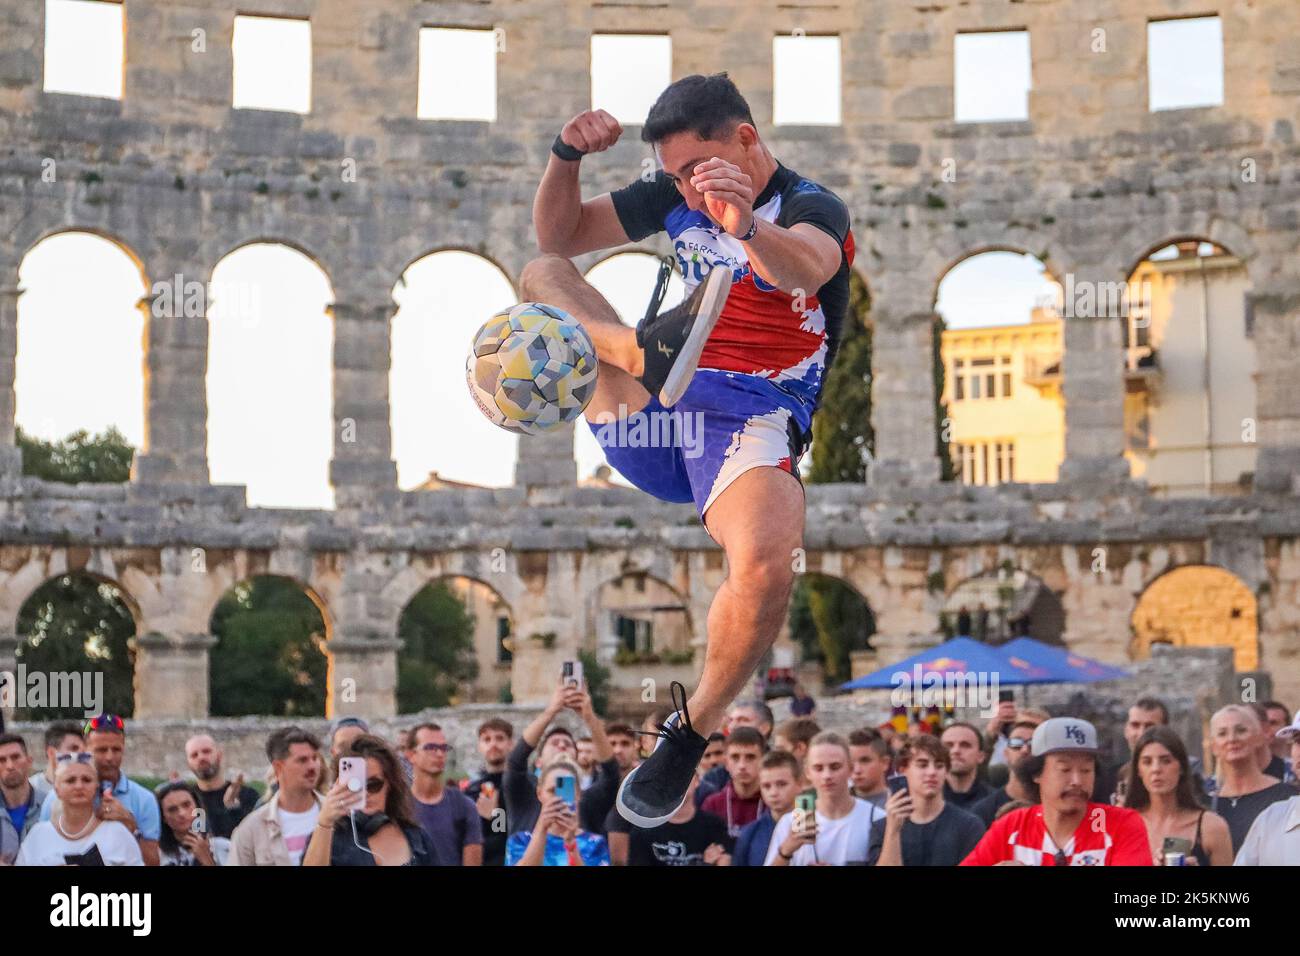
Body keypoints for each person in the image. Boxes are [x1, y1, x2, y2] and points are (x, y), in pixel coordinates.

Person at [526, 72, 854, 828]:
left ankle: (692, 729)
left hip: (751, 418)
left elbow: (803, 266)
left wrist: (745, 225)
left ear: (744, 140)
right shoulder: (674, 192)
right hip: (653, 408)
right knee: (542, 274)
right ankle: (641, 353)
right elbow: (559, 238)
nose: (686, 190)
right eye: (676, 177)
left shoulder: (813, 207)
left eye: (695, 170)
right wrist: (563, 157)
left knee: (768, 558)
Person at [961, 717, 1152, 866]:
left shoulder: (1120, 825)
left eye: (1086, 770)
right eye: (1065, 769)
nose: (1077, 781)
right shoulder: (1011, 828)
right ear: (1036, 773)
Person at [40, 714, 161, 866]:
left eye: (116, 749)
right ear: (85, 749)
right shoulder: (56, 799)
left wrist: (132, 828)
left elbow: (153, 863)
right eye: (101, 750)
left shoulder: (144, 800)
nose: (109, 757)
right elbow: (41, 852)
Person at [504, 679, 616, 836]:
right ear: (539, 761)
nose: (562, 746)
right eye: (554, 743)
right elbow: (515, 761)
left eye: (568, 744)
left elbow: (611, 772)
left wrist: (589, 717)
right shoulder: (524, 794)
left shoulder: (588, 800)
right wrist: (551, 711)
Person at [305, 734, 435, 866]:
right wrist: (324, 822)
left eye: (373, 785)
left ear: (390, 785)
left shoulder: (416, 837)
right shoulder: (329, 838)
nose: (365, 793)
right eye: (355, 786)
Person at [766, 732, 884, 866]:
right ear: (807, 772)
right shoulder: (790, 823)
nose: (827, 775)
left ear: (850, 769)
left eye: (835, 767)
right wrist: (786, 851)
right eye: (818, 768)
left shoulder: (876, 819)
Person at [868, 734, 985, 866]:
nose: (931, 772)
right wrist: (893, 831)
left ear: (946, 771)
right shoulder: (881, 828)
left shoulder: (969, 826)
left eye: (939, 766)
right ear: (903, 771)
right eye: (922, 765)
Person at [1125, 727, 1232, 866]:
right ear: (1138, 770)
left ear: (1181, 767)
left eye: (1166, 761)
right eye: (1147, 762)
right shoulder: (1123, 825)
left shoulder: (1212, 827)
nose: (1156, 769)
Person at [16, 752, 143, 865]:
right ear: (57, 789)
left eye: (86, 780)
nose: (79, 786)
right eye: (70, 780)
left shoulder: (117, 834)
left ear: (96, 786)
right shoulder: (38, 836)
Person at [228, 726, 323, 866]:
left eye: (315, 758)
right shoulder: (251, 830)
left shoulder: (339, 818)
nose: (312, 766)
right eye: (302, 760)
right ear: (278, 768)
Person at [1206, 704, 1294, 854]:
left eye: (1241, 730)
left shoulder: (1288, 797)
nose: (1232, 739)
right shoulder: (1204, 802)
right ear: (1214, 746)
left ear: (1259, 738)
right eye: (1222, 733)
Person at [406, 722, 482, 865]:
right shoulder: (398, 806)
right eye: (430, 748)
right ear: (411, 755)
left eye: (443, 748)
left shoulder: (464, 806)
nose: (439, 754)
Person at [508, 761, 610, 866]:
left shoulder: (594, 844)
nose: (559, 798)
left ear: (578, 794)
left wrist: (571, 844)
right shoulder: (521, 840)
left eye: (566, 791)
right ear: (539, 793)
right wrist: (542, 829)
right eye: (552, 791)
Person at [628, 769, 732, 866]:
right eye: (669, 778)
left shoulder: (715, 826)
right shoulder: (643, 830)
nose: (677, 783)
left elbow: (725, 860)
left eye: (684, 775)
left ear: (697, 780)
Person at [184, 733, 258, 839]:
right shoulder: (185, 801)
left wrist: (233, 807)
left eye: (206, 751)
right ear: (189, 764)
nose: (201, 757)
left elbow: (255, 836)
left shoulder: (247, 795)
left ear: (219, 755)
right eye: (194, 755)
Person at [733, 749, 800, 866]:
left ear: (800, 784)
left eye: (781, 784)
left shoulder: (816, 824)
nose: (773, 792)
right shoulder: (749, 833)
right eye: (766, 786)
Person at [1094, 697, 1168, 803]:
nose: (1141, 733)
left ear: (1166, 731)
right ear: (1126, 730)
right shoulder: (1106, 781)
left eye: (1149, 726)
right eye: (1135, 725)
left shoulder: (1177, 778)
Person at [700, 726, 765, 838]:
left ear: (763, 760)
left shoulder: (775, 799)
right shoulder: (712, 804)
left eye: (750, 757)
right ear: (726, 762)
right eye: (735, 757)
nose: (742, 766)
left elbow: (800, 833)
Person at [464, 717, 512, 866]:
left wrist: (495, 816)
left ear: (510, 744)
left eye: (499, 738)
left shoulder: (520, 786)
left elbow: (518, 831)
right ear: (479, 746)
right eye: (487, 739)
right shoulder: (472, 790)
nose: (493, 744)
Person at [970, 721, 1038, 826]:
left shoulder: (1057, 806)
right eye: (1016, 743)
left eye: (1033, 744)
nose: (1025, 750)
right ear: (1006, 754)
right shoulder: (982, 812)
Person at [155, 780, 230, 866]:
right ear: (164, 817)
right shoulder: (157, 854)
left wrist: (207, 860)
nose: (181, 813)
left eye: (186, 805)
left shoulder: (223, 847)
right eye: (172, 809)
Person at [0, 733, 41, 862]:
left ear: (29, 761)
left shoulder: (50, 805)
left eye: (15, 757)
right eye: (2, 760)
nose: (10, 766)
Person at [940, 722, 992, 811]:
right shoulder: (924, 800)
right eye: (948, 746)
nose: (955, 751)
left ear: (981, 756)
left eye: (965, 745)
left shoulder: (995, 802)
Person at [29, 720, 83, 806]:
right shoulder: (31, 789)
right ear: (51, 753)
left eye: (83, 750)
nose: (80, 754)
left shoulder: (85, 789)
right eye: (74, 748)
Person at [848, 728, 890, 809]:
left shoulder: (901, 805)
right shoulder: (837, 805)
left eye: (865, 761)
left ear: (885, 763)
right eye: (851, 762)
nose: (857, 770)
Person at [1261, 701, 1294, 784]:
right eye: (1262, 723)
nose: (1266, 728)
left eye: (1273, 723)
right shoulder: (1251, 767)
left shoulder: (1296, 763)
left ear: (1287, 728)